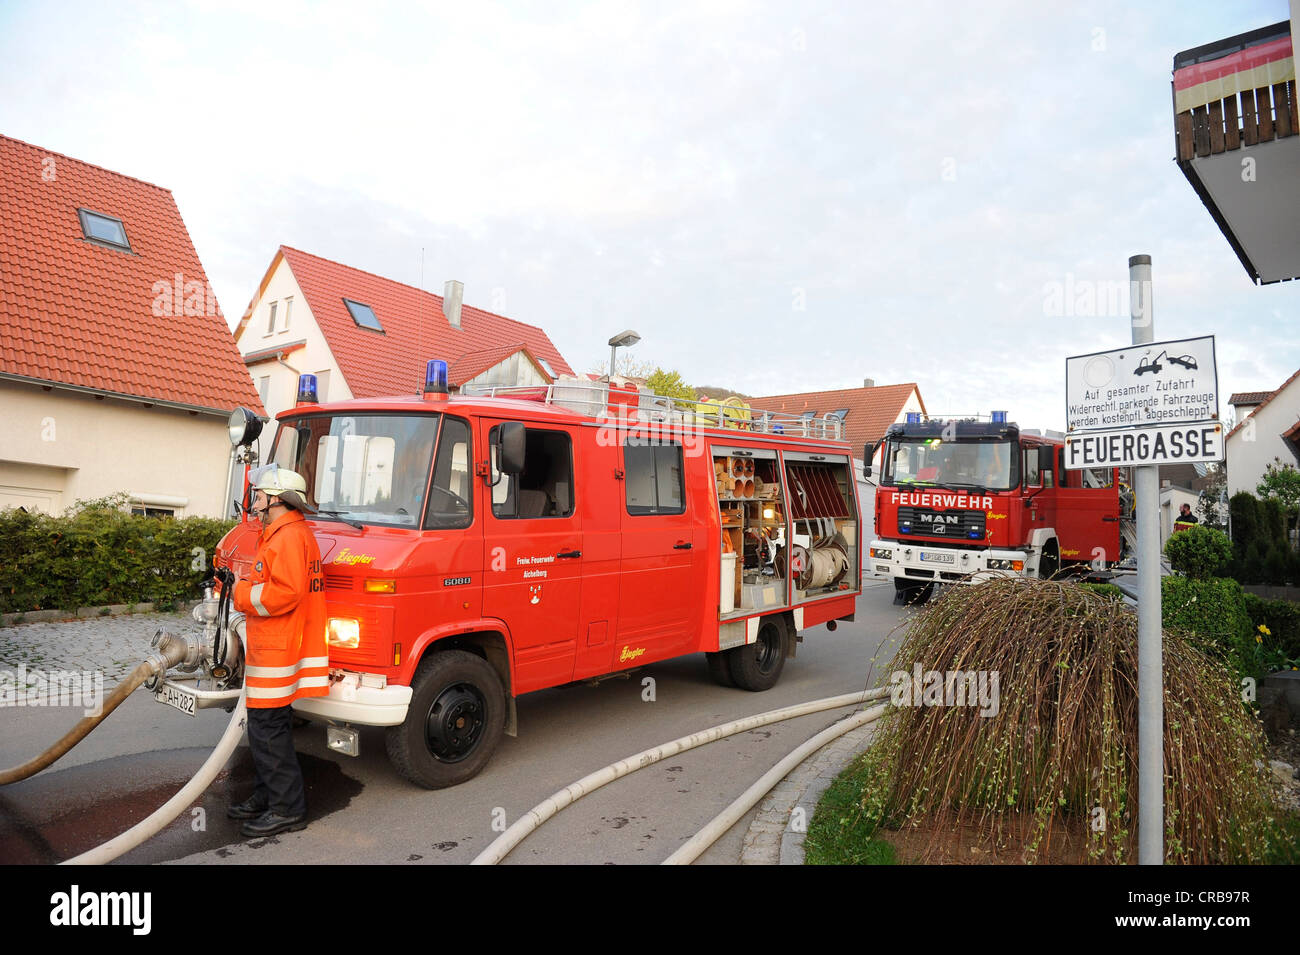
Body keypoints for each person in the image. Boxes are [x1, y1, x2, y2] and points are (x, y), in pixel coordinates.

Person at [226, 464, 329, 838]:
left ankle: (287, 809)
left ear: (275, 499)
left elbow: (284, 593)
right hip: (279, 647)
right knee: (269, 732)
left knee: (268, 733)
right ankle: (267, 796)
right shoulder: (289, 533)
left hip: (276, 651)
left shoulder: (286, 538)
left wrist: (240, 594)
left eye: (259, 496)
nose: (254, 502)